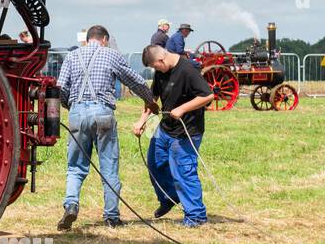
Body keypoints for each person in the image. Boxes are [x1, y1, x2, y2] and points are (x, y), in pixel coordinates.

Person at [54, 25, 158, 230]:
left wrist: (72, 107)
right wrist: (150, 101)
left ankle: (71, 204)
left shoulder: (72, 57)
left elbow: (60, 89)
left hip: (76, 113)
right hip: (102, 112)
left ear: (87, 39)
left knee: (75, 167)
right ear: (104, 39)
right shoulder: (111, 55)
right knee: (109, 167)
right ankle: (111, 216)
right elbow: (134, 81)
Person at [134, 44, 216, 227]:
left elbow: (207, 95)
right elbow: (151, 99)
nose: (156, 70)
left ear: (161, 60)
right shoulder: (161, 72)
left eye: (156, 66)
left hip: (186, 131)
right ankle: (169, 197)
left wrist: (183, 108)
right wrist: (141, 120)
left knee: (183, 173)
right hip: (165, 128)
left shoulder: (188, 70)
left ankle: (196, 217)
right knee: (154, 164)